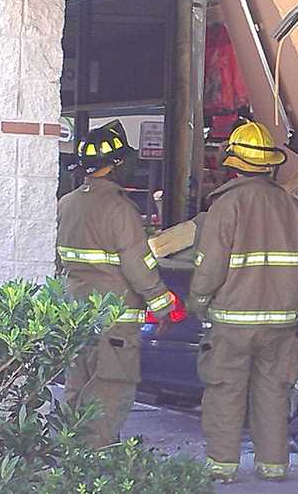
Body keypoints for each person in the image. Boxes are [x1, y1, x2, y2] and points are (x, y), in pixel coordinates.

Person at [187, 121, 298, 483]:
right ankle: (274, 465)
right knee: (273, 393)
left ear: (233, 162)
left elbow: (210, 267)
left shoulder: (227, 206)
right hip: (282, 325)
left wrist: (198, 300)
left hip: (232, 324)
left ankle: (222, 465)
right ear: (270, 164)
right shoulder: (295, 208)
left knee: (226, 391)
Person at [56, 120, 177, 448]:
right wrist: (163, 305)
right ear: (116, 165)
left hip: (76, 318)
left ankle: (71, 457)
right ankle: (97, 464)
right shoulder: (120, 209)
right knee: (109, 393)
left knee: (77, 389)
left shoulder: (67, 204)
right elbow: (139, 266)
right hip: (115, 325)